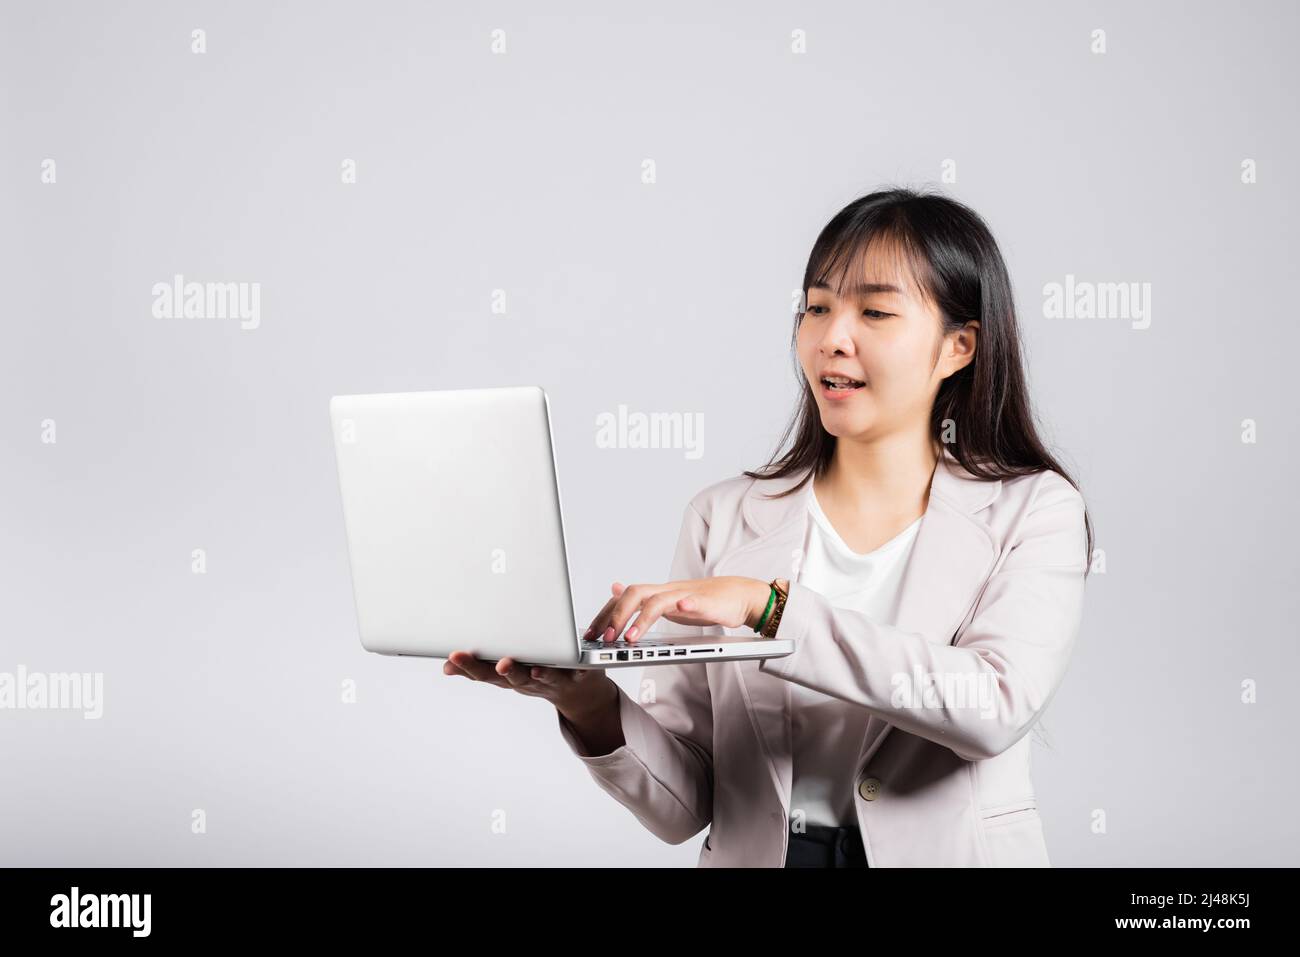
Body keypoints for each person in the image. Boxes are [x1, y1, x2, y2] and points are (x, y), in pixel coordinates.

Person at [444, 187, 1094, 867]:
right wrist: (591, 703)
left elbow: (991, 703)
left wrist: (768, 608)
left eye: (874, 310)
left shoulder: (1035, 510)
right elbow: (685, 801)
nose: (831, 337)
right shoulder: (721, 516)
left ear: (959, 346)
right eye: (815, 307)